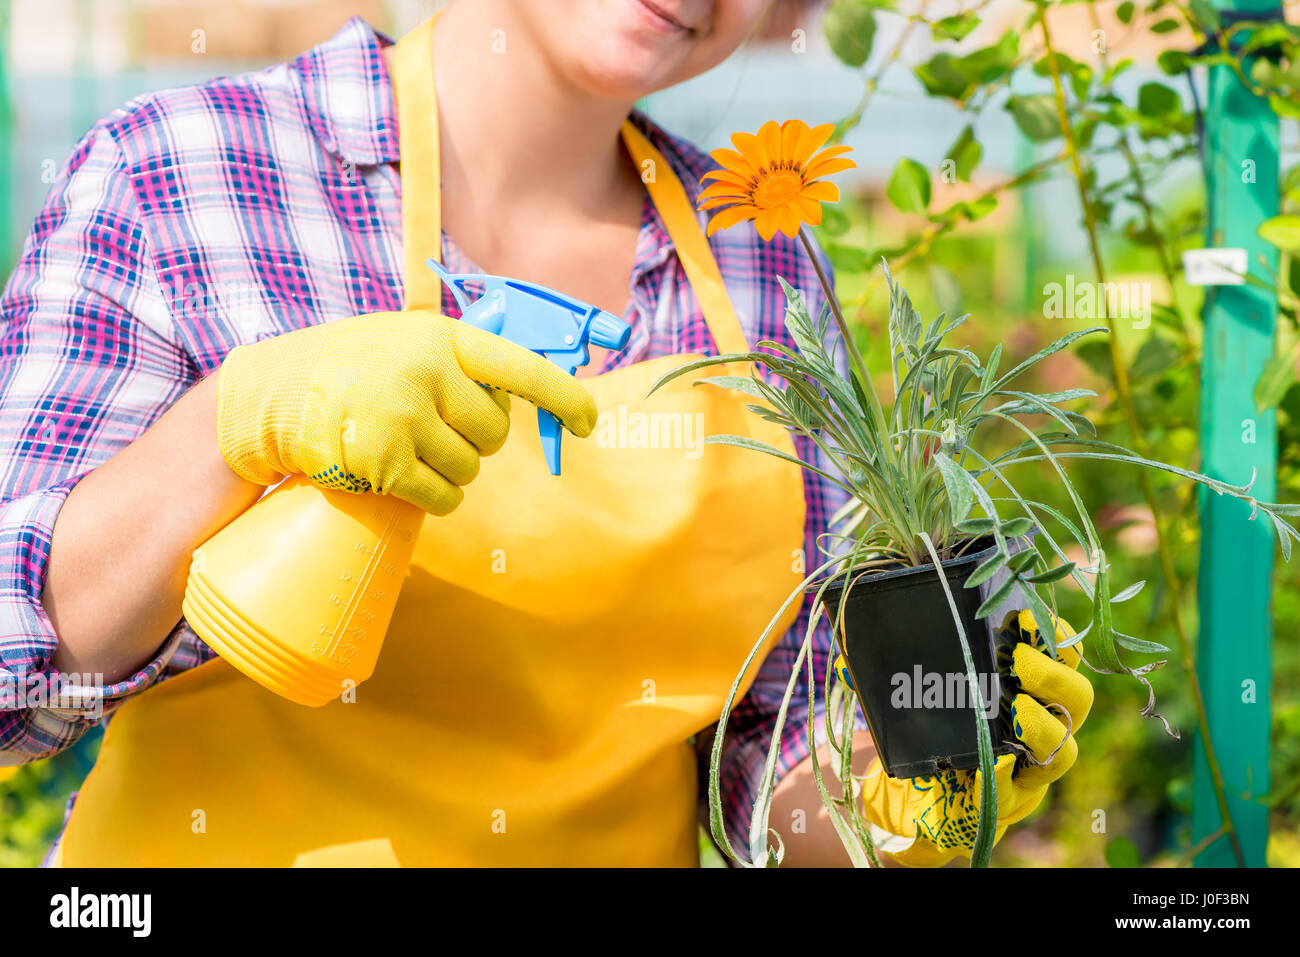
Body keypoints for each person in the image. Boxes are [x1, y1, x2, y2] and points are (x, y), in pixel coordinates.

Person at [0, 0, 1085, 867]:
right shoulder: (185, 171)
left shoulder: (759, 256)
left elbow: (765, 753)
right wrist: (228, 426)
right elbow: (22, 677)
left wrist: (901, 800)